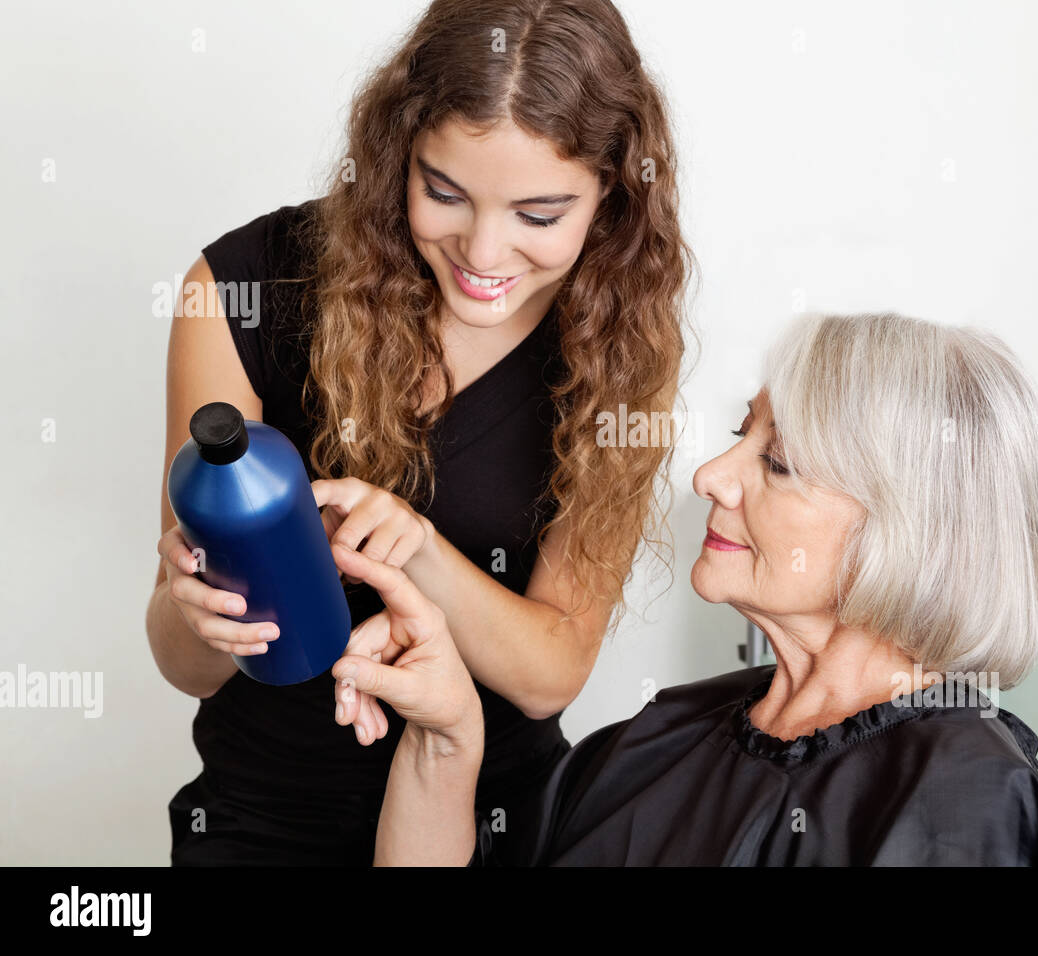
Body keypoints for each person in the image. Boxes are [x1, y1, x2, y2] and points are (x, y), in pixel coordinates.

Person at [146, 0, 694, 865]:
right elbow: (187, 665)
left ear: (615, 192)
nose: (484, 250)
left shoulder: (619, 346)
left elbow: (551, 671)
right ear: (399, 146)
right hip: (261, 820)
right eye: (443, 192)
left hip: (499, 820)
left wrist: (417, 552)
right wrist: (193, 612)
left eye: (540, 216)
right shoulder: (239, 290)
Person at [328, 311, 1038, 866]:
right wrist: (445, 734)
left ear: (910, 528)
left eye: (779, 461)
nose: (710, 477)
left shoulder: (964, 803)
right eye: (744, 434)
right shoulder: (666, 735)